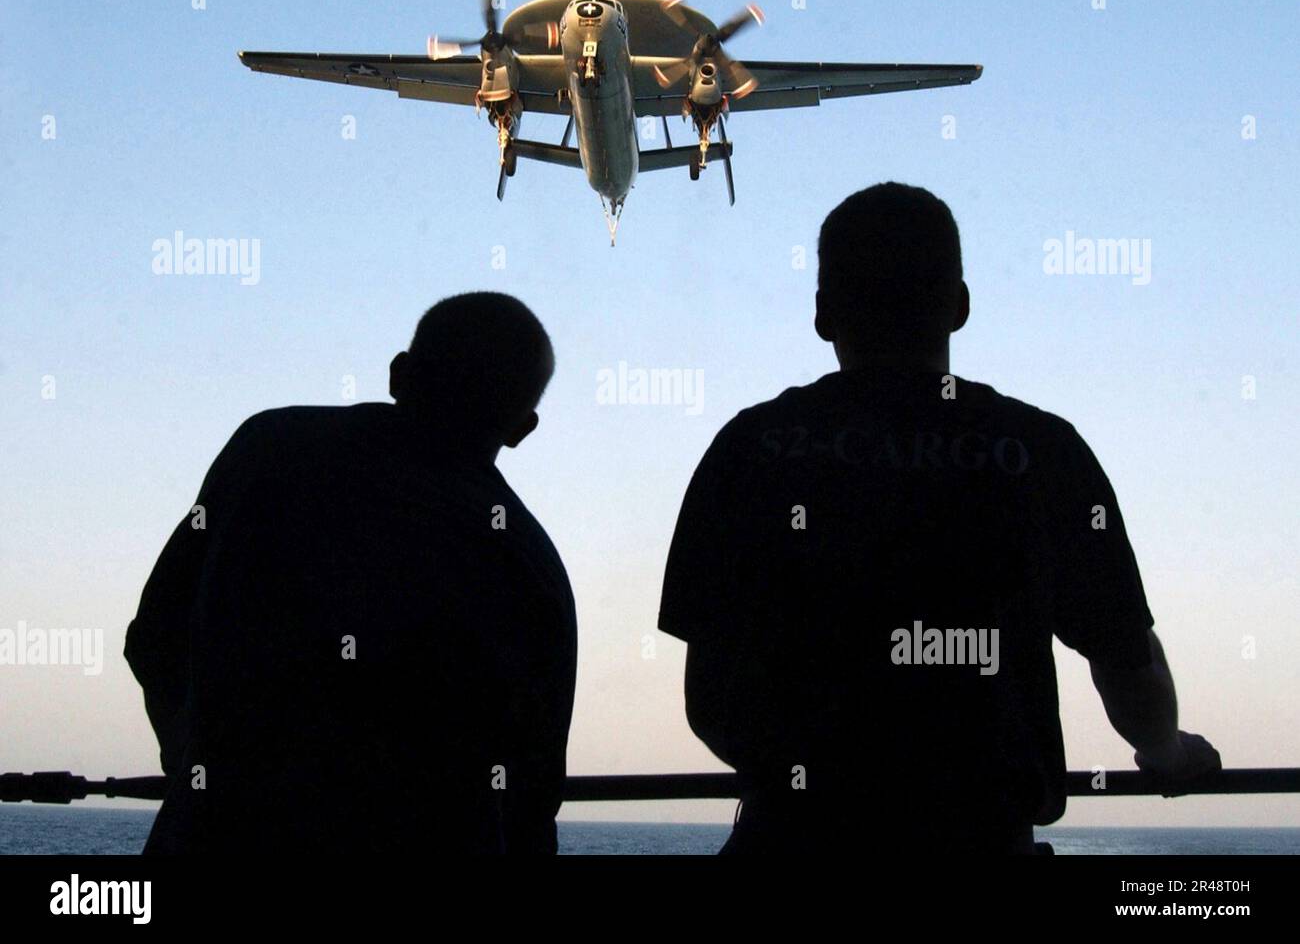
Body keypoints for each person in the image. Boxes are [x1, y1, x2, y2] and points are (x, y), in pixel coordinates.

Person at [658, 182, 1220, 855]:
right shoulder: (1044, 451)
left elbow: (712, 700)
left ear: (823, 313)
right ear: (959, 306)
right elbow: (1127, 660)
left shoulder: (750, 449)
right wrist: (1167, 750)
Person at [125, 292, 576, 854]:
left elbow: (153, 637)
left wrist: (198, 769)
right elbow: (531, 797)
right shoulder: (530, 565)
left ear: (399, 373)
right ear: (521, 428)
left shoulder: (265, 450)